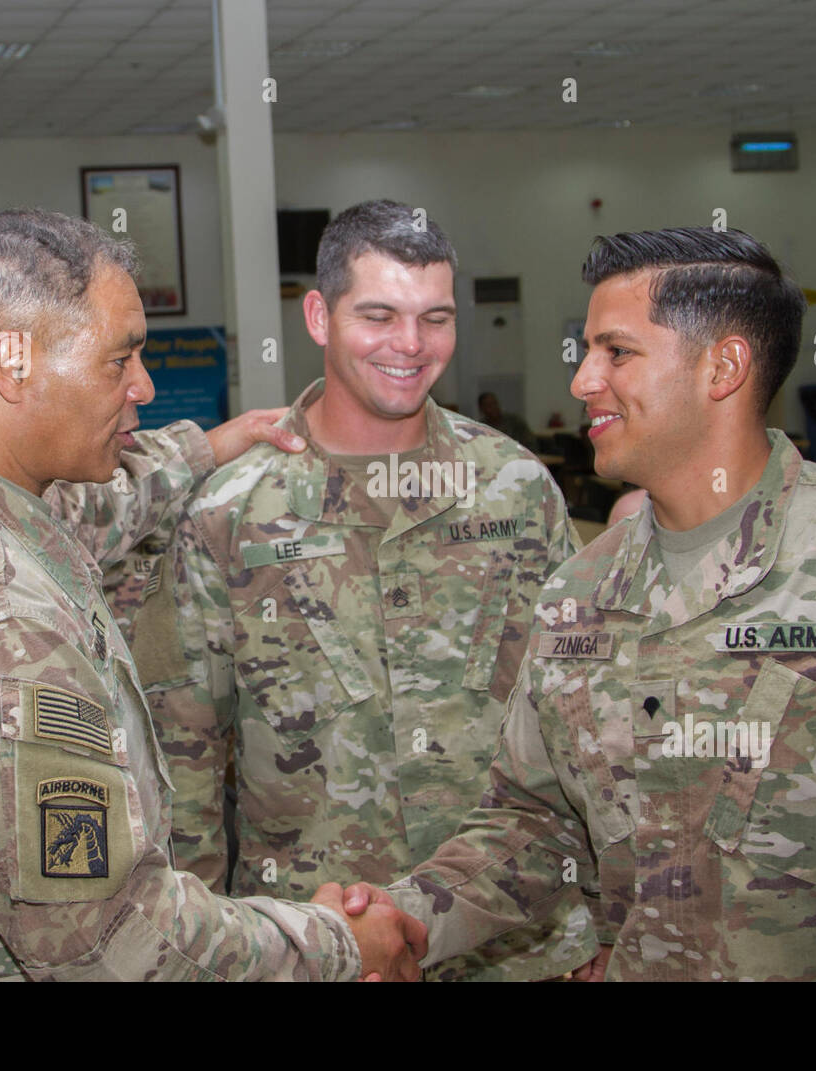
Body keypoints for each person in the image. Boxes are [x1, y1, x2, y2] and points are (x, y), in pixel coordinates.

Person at [345, 226, 816, 980]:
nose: (584, 379)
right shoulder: (582, 594)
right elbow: (532, 822)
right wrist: (405, 918)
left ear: (722, 367)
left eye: (616, 352)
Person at [0, 208, 425, 981]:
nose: (145, 384)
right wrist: (334, 942)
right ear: (11, 365)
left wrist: (212, 444)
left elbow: (92, 512)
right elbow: (115, 948)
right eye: (119, 359)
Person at [124, 200, 597, 980]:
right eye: (378, 315)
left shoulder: (515, 490)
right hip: (316, 941)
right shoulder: (228, 512)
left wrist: (600, 915)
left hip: (516, 943)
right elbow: (186, 760)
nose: (410, 345)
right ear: (318, 315)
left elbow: (577, 723)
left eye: (434, 318)